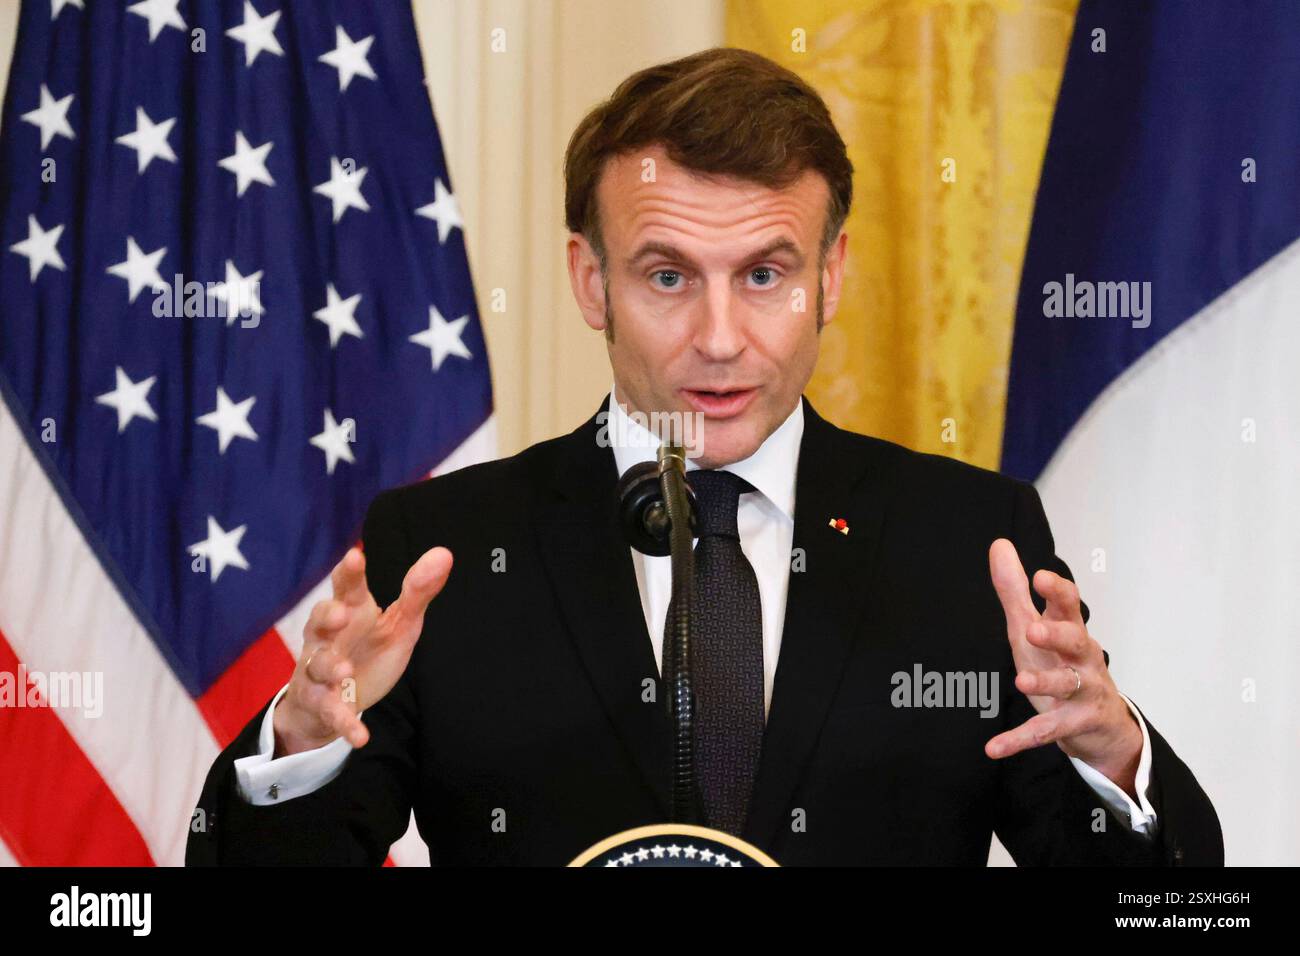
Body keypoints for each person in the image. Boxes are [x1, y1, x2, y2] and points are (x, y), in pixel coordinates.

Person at [187, 47, 1222, 866]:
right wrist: (303, 742)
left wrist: (1111, 757)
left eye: (765, 273)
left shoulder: (965, 541)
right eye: (668, 275)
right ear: (590, 281)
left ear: (832, 274)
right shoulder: (442, 551)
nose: (721, 337)